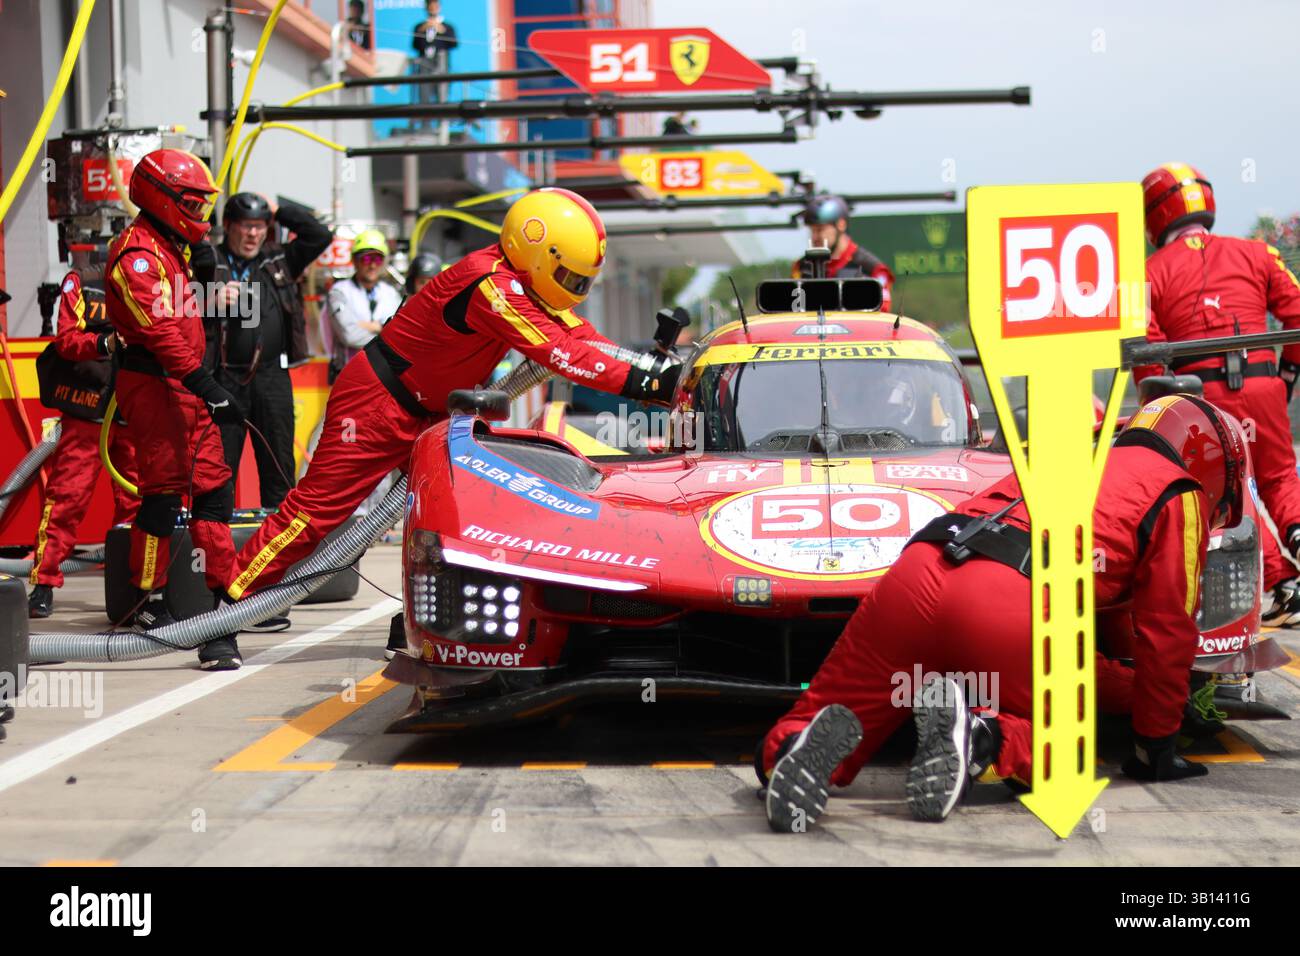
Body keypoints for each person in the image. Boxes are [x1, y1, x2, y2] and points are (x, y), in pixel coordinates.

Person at [225, 188, 683, 661]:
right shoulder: (491, 285)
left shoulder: (527, 282)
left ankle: (416, 623)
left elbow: (580, 336)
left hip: (432, 412)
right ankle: (225, 606)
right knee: (313, 515)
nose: (573, 286)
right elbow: (560, 354)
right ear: (538, 253)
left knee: (455, 515)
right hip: (377, 402)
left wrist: (655, 371)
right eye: (568, 275)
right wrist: (648, 385)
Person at [759, 394, 1245, 832]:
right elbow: (1167, 635)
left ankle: (789, 752)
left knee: (820, 711)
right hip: (1012, 596)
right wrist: (1156, 744)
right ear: (1213, 470)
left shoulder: (1071, 456)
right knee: (1066, 747)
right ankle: (983, 733)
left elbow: (1103, 641)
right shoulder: (1180, 492)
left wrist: (1127, 687)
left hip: (922, 567)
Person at [1137, 162, 1300, 626]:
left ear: (1153, 216)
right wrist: (1286, 377)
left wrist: (1161, 422)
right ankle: (1297, 537)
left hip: (1202, 398)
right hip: (1265, 385)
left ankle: (1285, 585)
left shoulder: (1147, 275)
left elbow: (1147, 358)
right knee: (1281, 478)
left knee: (1233, 493)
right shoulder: (1260, 253)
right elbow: (1297, 315)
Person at [105, 148, 244, 671]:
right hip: (157, 387)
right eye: (192, 203)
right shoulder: (136, 256)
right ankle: (150, 602)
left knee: (214, 496)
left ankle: (222, 612)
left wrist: (203, 277)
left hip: (186, 386)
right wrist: (207, 383)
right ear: (160, 199)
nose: (202, 216)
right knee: (163, 499)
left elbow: (186, 315)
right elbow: (162, 331)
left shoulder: (173, 245)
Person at [202, 192, 332, 510]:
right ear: (229, 226)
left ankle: (279, 550)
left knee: (279, 468)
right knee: (219, 470)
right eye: (246, 226)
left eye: (260, 226)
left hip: (272, 377)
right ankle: (218, 543)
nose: (252, 234)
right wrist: (210, 302)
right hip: (222, 377)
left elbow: (320, 235)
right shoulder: (208, 261)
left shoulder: (278, 259)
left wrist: (277, 211)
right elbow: (175, 306)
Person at [27, 263, 139, 618]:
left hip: (136, 410)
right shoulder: (83, 281)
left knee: (137, 502)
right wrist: (105, 342)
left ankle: (134, 585)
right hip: (89, 410)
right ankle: (43, 582)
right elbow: (65, 340)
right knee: (66, 500)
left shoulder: (161, 277)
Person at [325, 229, 403, 383]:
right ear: (354, 260)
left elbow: (401, 333)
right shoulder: (339, 291)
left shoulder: (391, 293)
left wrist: (369, 326)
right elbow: (349, 335)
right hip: (349, 376)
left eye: (378, 259)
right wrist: (384, 330)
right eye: (367, 258)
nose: (373, 265)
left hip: (385, 377)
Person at [793, 193, 894, 309]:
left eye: (820, 230)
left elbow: (881, 315)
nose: (814, 237)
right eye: (812, 231)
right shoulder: (801, 267)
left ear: (841, 225)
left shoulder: (872, 269)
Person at [411, 0, 458, 131]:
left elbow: (454, 43)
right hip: (424, 63)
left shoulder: (447, 26)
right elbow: (414, 45)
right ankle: (425, 126)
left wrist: (441, 30)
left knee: (441, 94)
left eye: (435, 6)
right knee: (424, 94)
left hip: (441, 65)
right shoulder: (420, 26)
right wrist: (423, 30)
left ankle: (441, 126)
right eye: (430, 6)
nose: (433, 8)